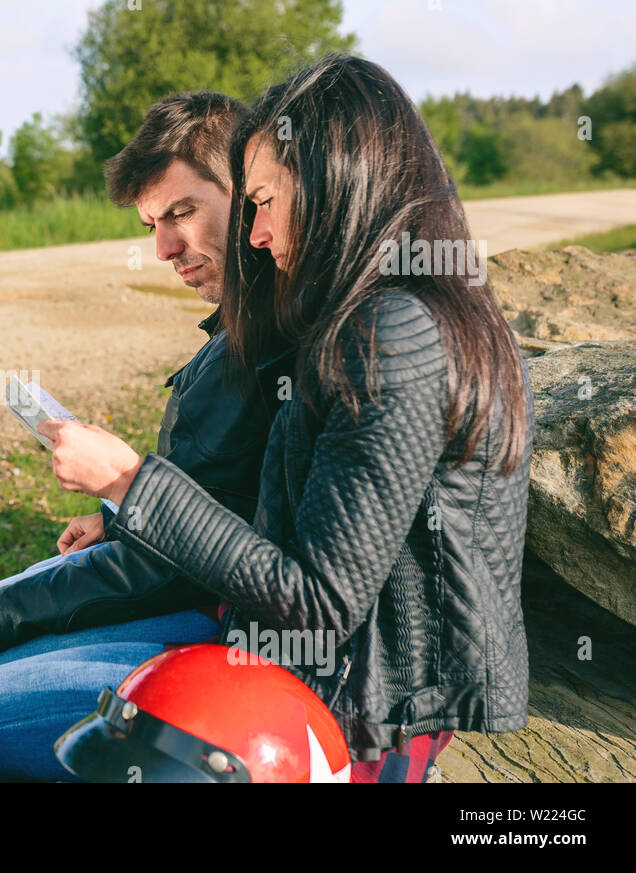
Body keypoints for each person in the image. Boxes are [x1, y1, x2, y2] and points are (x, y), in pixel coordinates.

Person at [32, 55, 533, 781]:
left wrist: (129, 480)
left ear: (336, 177)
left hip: (353, 723)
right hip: (342, 695)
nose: (255, 234)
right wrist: (124, 513)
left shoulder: (393, 333)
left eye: (262, 201)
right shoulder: (396, 307)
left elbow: (319, 601)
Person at [0, 92, 297, 782]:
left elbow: (180, 561)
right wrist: (117, 515)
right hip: (192, 583)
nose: (163, 249)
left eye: (181, 212)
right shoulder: (245, 318)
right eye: (152, 223)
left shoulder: (269, 337)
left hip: (220, 621)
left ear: (252, 192)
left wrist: (3, 613)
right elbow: (217, 497)